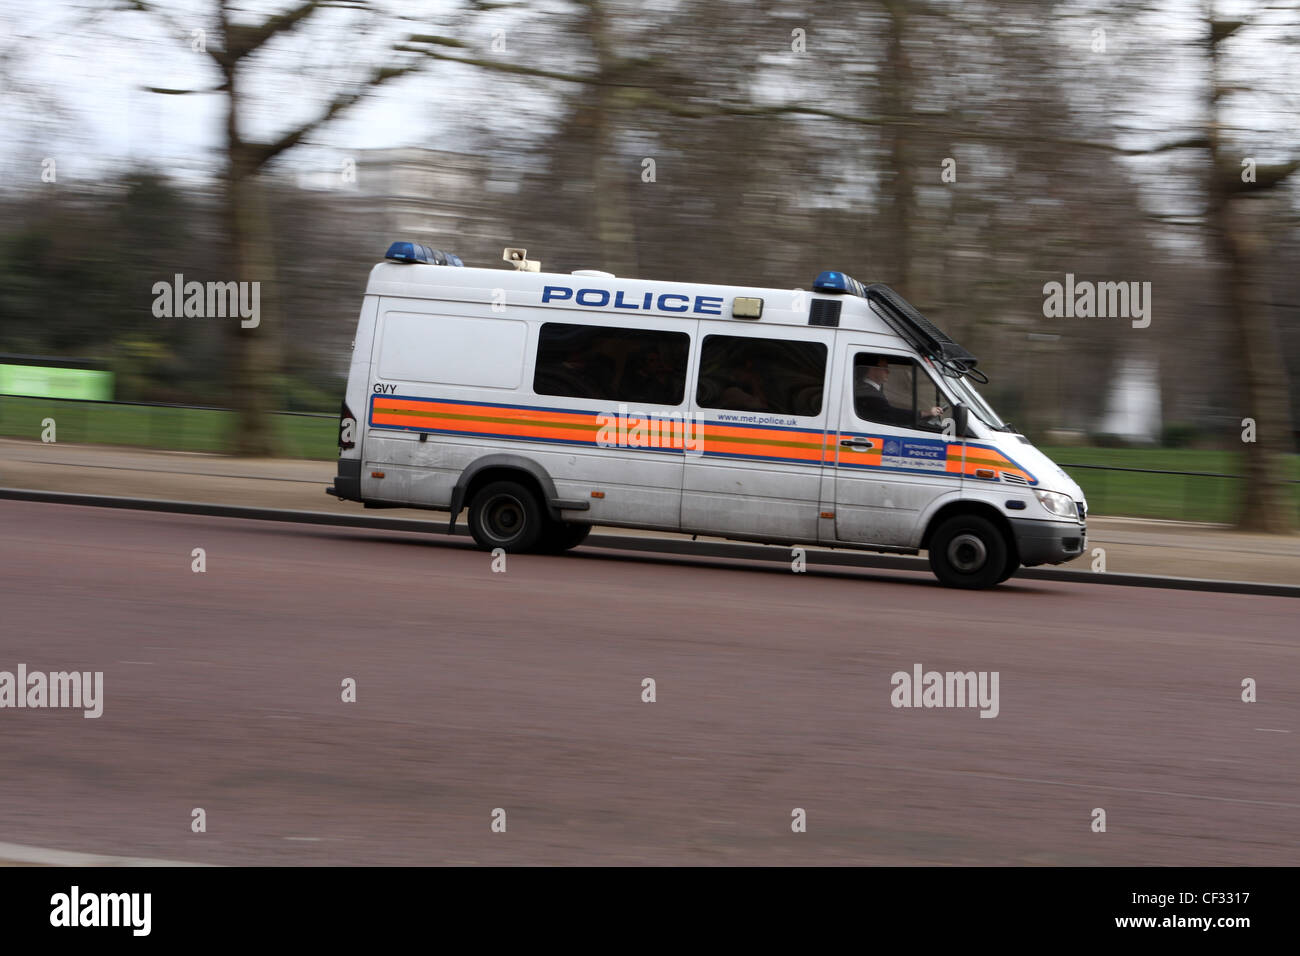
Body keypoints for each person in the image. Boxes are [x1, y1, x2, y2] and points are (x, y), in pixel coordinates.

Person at [854, 354, 943, 427]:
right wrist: (925, 413)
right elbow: (892, 414)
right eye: (884, 368)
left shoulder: (868, 388)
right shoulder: (868, 392)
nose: (888, 372)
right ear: (872, 369)